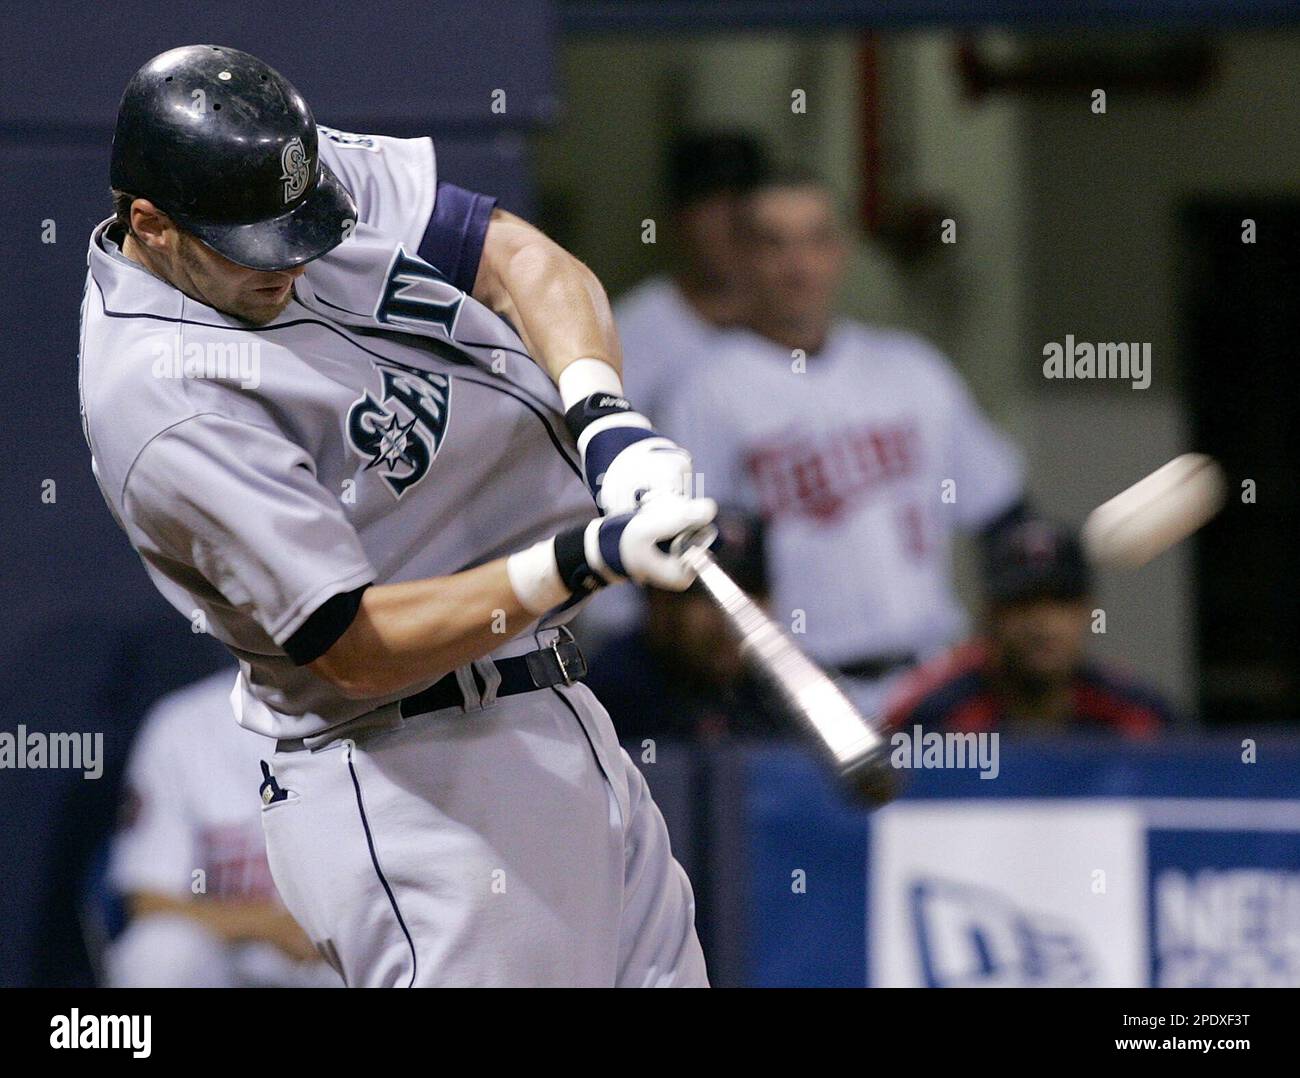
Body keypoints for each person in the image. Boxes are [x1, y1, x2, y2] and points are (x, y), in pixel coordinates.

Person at [80, 45, 717, 987]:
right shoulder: (163, 399)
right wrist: (582, 559)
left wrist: (602, 414)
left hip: (553, 710)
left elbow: (515, 256)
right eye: (256, 247)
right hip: (412, 771)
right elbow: (352, 645)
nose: (291, 262)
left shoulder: (272, 173)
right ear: (152, 225)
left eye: (300, 229)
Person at [663, 171, 1028, 718]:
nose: (798, 266)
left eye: (816, 240)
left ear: (842, 250)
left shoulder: (912, 368)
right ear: (740, 258)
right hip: (793, 693)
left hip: (936, 683)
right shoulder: (703, 391)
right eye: (774, 244)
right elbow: (672, 565)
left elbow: (1004, 514)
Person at [579, 132, 768, 646]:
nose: (731, 221)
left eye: (744, 202)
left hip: (766, 616)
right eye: (712, 203)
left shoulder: (790, 331)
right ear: (680, 218)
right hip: (642, 619)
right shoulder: (624, 333)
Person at [107, 671, 341, 987]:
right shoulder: (185, 722)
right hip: (236, 959)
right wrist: (269, 925)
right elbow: (149, 900)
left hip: (348, 957)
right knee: (158, 952)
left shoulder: (382, 705)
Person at [884, 519, 1177, 736]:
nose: (1043, 624)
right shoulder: (932, 716)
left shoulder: (1136, 714)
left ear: (1086, 611)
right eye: (1024, 603)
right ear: (991, 616)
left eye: (1060, 602)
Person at [586, 508, 789, 743]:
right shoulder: (612, 690)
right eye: (712, 599)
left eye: (750, 592)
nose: (735, 618)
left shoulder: (784, 690)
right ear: (660, 602)